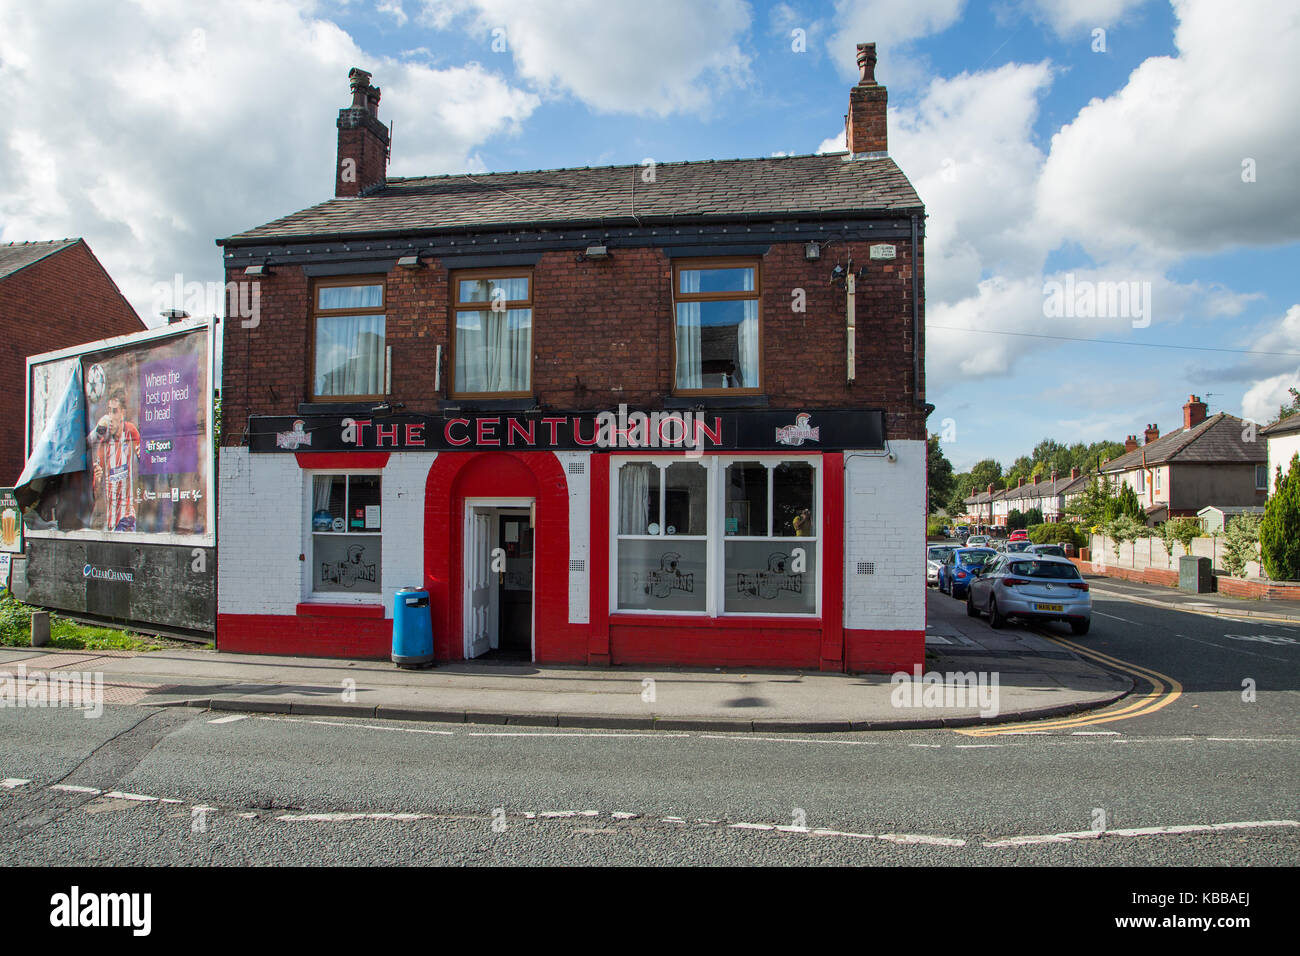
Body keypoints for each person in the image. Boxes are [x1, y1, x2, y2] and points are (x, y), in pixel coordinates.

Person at [88, 387, 140, 532]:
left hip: (127, 518)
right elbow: (96, 490)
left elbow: (146, 459)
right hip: (110, 522)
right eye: (109, 411)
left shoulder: (130, 431)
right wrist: (97, 480)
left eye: (115, 411)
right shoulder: (104, 443)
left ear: (122, 413)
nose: (111, 416)